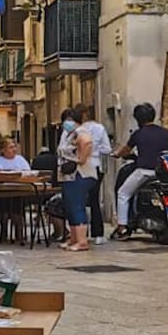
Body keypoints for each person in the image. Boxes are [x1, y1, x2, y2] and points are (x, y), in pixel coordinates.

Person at [113, 102, 168, 235]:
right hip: (164, 172)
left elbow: (126, 150)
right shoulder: (165, 132)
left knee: (123, 193)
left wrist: (117, 154)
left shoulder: (138, 134)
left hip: (145, 171)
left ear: (138, 119)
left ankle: (122, 226)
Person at [55, 107, 98, 253]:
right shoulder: (69, 134)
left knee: (77, 205)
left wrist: (81, 158)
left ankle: (81, 241)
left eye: (69, 120)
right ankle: (73, 238)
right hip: (68, 176)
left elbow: (86, 142)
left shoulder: (81, 132)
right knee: (70, 206)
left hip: (80, 174)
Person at [76, 104, 113, 241]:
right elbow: (107, 149)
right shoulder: (99, 128)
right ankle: (98, 234)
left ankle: (81, 233)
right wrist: (96, 150)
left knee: (79, 200)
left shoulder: (78, 130)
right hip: (96, 166)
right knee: (94, 199)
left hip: (81, 166)